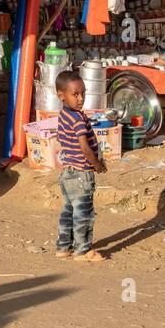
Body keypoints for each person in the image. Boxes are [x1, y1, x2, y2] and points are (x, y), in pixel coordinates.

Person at [53, 70, 107, 262]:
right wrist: (97, 164)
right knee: (84, 213)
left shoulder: (64, 115)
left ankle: (63, 247)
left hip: (67, 172)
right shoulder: (77, 119)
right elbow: (84, 146)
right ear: (61, 96)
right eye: (75, 94)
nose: (81, 98)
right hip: (81, 173)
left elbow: (61, 137)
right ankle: (83, 250)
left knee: (68, 210)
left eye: (83, 93)